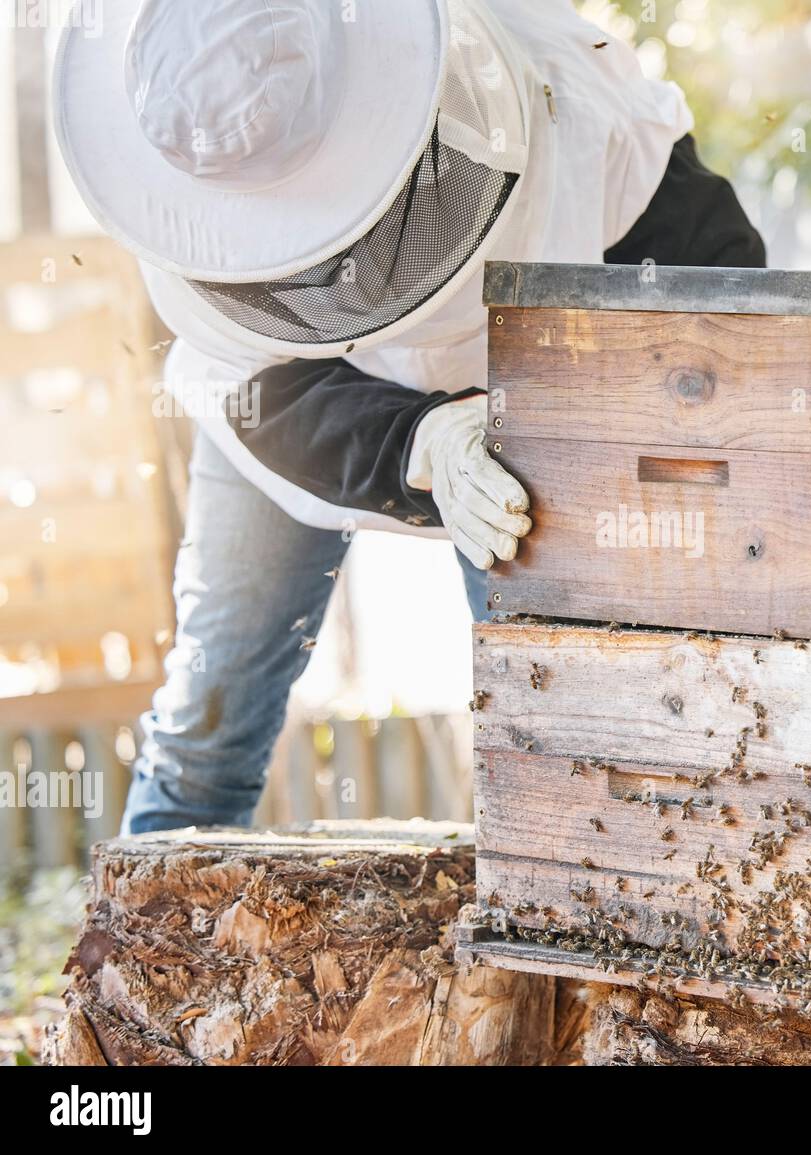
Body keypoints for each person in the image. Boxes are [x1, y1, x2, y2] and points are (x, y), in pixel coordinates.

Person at [53, 0, 764, 834]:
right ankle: (138, 959)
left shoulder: (567, 84)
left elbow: (718, 294)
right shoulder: (185, 180)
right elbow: (260, 393)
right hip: (308, 418)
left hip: (526, 433)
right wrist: (420, 438)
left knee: (560, 735)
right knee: (209, 718)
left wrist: (594, 440)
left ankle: (582, 919)